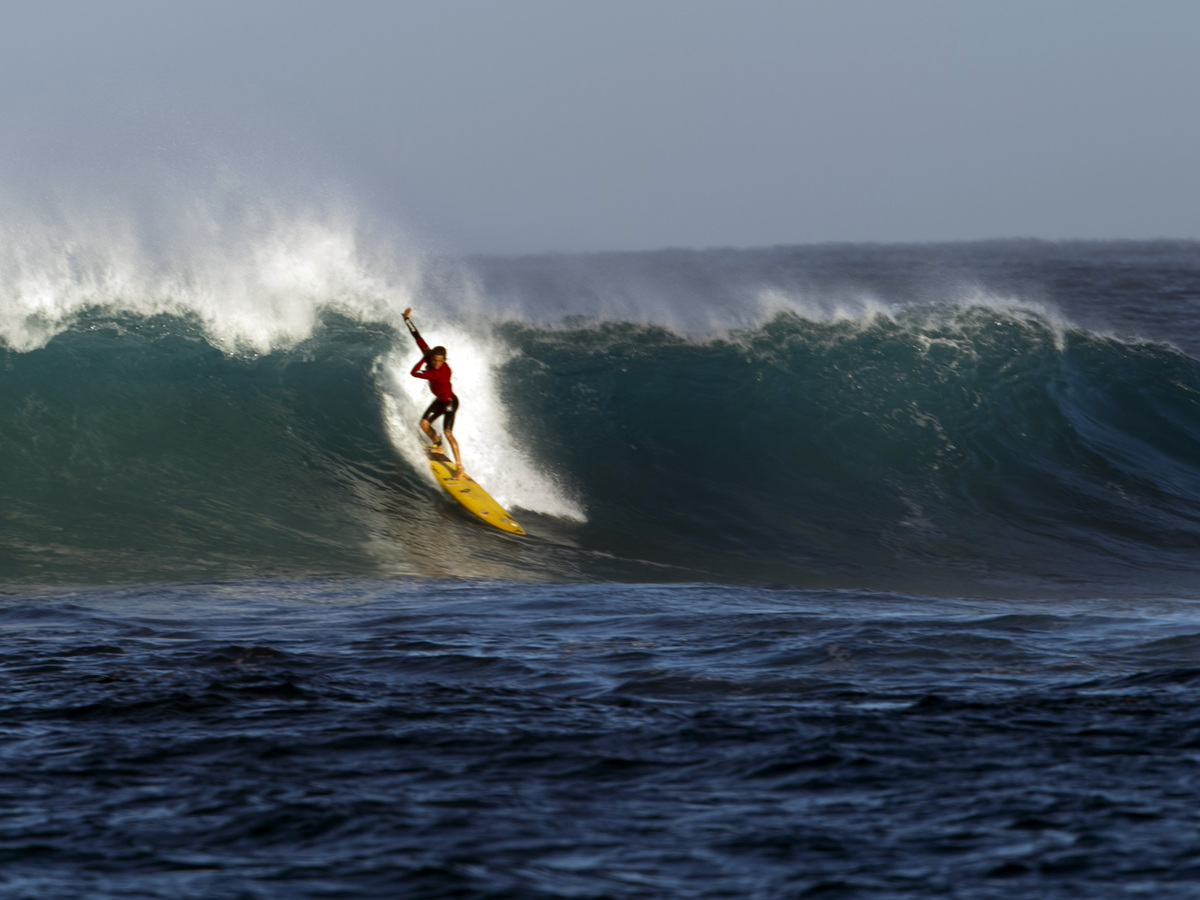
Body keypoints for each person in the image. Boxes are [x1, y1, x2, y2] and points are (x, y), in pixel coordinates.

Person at [403, 307, 465, 478]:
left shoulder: (439, 372)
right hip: (440, 400)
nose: (437, 363)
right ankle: (438, 444)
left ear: (444, 360)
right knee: (423, 424)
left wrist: (424, 358)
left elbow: (414, 373)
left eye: (440, 361)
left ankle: (459, 466)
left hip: (450, 403)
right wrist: (407, 320)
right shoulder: (431, 359)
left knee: (448, 432)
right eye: (435, 360)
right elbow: (417, 337)